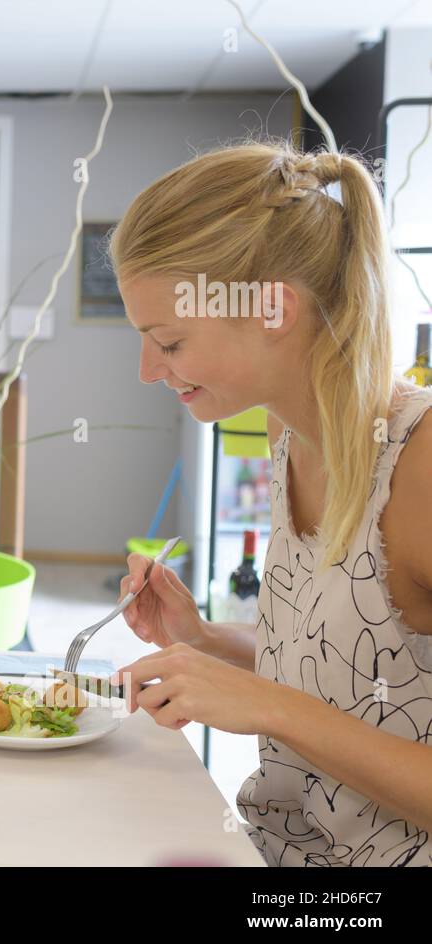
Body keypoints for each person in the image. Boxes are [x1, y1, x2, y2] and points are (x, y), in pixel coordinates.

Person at [108, 141, 432, 866]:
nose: (146, 370)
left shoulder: (421, 465)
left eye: (170, 341)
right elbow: (362, 684)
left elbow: (304, 709)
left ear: (272, 309)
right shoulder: (286, 434)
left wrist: (271, 709)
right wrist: (203, 642)